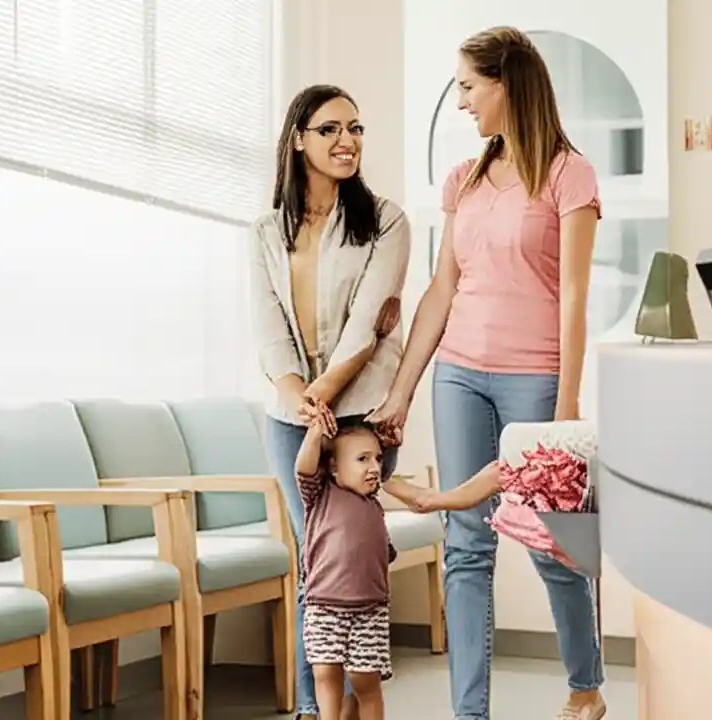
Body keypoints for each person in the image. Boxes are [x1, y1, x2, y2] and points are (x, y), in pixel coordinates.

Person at [369, 26, 607, 720]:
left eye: (471, 86)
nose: (464, 100)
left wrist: (565, 404)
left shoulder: (570, 175)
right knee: (467, 546)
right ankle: (469, 715)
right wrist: (404, 390)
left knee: (548, 543)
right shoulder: (462, 180)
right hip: (460, 375)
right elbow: (443, 288)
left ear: (508, 84)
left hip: (534, 379)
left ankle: (585, 687)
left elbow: (574, 299)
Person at [249, 83, 412, 720]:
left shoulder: (387, 220)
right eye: (330, 130)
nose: (348, 141)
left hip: (362, 412)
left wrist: (324, 393)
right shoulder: (264, 231)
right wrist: (298, 397)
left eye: (356, 128)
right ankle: (317, 711)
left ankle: (344, 708)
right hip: (293, 417)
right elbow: (267, 328)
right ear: (298, 139)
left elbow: (369, 322)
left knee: (347, 557)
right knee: (313, 564)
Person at [295, 404, 396, 720]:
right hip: (324, 605)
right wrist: (315, 433)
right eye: (363, 459)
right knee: (325, 672)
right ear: (335, 468)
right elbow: (304, 467)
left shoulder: (374, 507)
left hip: (369, 610)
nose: (374, 467)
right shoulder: (320, 494)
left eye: (377, 459)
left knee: (366, 681)